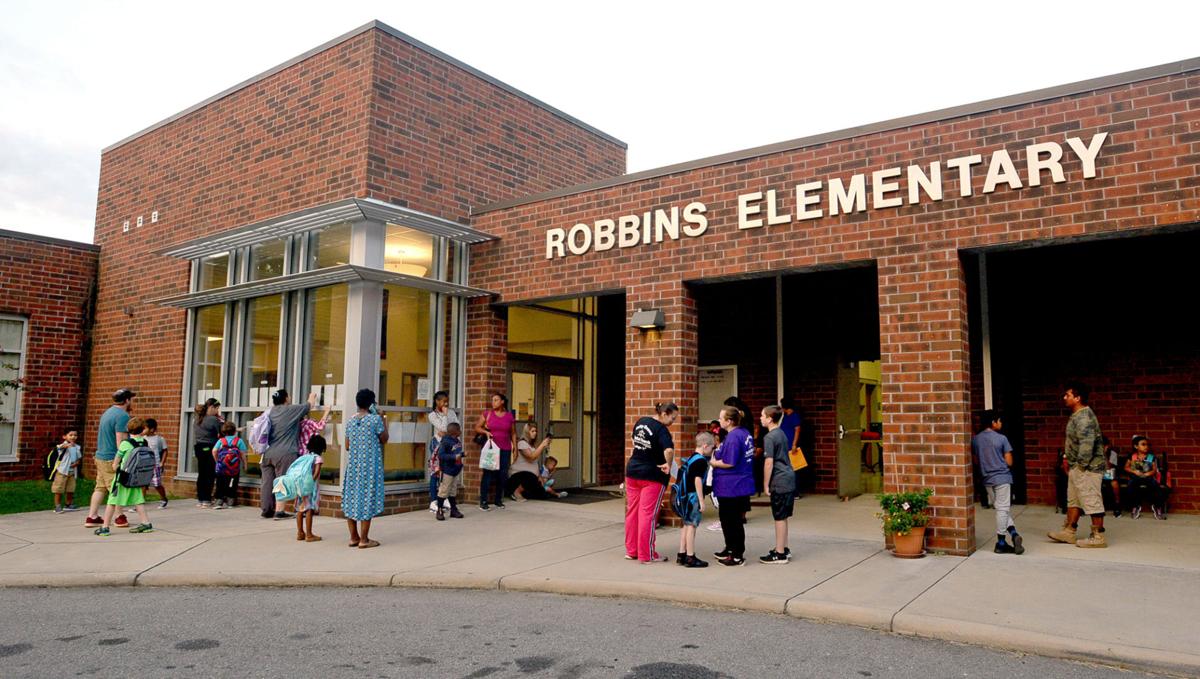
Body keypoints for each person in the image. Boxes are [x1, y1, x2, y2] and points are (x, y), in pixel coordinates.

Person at [1048, 382, 1108, 548]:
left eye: (1068, 395)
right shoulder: (1077, 415)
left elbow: (1087, 445)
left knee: (1091, 500)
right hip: (1077, 467)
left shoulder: (1084, 417)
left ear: (1077, 398)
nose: (1064, 398)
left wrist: (1080, 466)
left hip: (1088, 468)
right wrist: (1068, 460)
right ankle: (1069, 531)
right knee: (1073, 500)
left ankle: (1098, 536)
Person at [623, 401, 678, 563]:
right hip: (653, 475)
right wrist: (668, 464)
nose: (672, 422)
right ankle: (646, 554)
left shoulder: (641, 422)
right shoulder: (662, 430)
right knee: (648, 515)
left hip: (633, 471)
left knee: (632, 512)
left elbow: (634, 440)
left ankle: (631, 550)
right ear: (664, 414)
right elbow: (668, 450)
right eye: (672, 418)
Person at [971, 410, 1023, 555]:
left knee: (1001, 509)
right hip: (1002, 478)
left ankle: (1013, 534)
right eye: (999, 420)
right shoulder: (1002, 439)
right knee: (1003, 510)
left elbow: (976, 460)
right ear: (993, 423)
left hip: (987, 479)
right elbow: (1009, 461)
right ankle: (1001, 542)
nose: (1001, 423)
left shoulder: (976, 440)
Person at [710, 406, 756, 566]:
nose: (719, 420)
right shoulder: (744, 433)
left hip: (732, 485)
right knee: (726, 518)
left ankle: (737, 554)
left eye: (722, 418)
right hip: (735, 484)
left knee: (732, 520)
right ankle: (730, 547)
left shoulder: (734, 437)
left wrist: (714, 462)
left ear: (729, 421)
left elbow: (729, 462)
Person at [261, 389, 316, 520]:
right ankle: (279, 511)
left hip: (267, 453)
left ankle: (267, 510)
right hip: (285, 452)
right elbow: (310, 405)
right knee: (282, 480)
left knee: (267, 482)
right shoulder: (290, 410)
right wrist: (312, 395)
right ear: (286, 399)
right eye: (289, 395)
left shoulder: (270, 411)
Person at [343, 388, 387, 548]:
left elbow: (347, 445)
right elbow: (384, 439)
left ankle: (353, 537)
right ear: (371, 403)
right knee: (367, 498)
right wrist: (383, 418)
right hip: (369, 466)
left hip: (354, 466)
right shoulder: (375, 420)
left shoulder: (350, 421)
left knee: (351, 498)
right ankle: (364, 539)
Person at [94, 417, 154, 536]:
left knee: (112, 501)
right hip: (136, 478)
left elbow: (116, 462)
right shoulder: (144, 442)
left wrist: (115, 466)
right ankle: (146, 523)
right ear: (142, 430)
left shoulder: (126, 443)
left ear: (128, 429)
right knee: (138, 501)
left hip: (123, 478)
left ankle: (105, 527)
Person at [84, 388, 134, 529]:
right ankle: (119, 517)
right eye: (131, 399)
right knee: (116, 488)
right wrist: (124, 458)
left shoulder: (108, 412)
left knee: (100, 487)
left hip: (100, 456)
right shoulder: (123, 416)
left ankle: (92, 516)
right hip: (112, 458)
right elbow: (121, 441)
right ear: (127, 400)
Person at [759, 405, 796, 564]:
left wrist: (765, 484)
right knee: (784, 516)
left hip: (779, 480)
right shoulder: (781, 433)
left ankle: (779, 553)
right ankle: (783, 547)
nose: (760, 418)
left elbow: (769, 462)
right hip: (788, 477)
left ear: (769, 418)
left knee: (779, 517)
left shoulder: (769, 437)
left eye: (762, 415)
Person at [274, 433, 325, 541]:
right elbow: (316, 474)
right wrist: (310, 483)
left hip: (299, 487)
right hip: (309, 488)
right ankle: (309, 534)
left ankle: (300, 533)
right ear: (322, 447)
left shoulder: (304, 457)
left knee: (299, 510)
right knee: (309, 510)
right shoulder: (318, 459)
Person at [674, 431, 712, 568]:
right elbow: (697, 480)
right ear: (705, 446)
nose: (711, 451)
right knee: (692, 526)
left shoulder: (691, 458)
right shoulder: (701, 461)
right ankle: (690, 557)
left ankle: (681, 554)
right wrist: (702, 500)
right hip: (693, 497)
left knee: (685, 524)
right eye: (711, 448)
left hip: (684, 497)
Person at [474, 392, 516, 511]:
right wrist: (486, 432)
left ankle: (498, 500)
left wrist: (515, 447)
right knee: (488, 474)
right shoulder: (488, 414)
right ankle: (483, 501)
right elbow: (477, 427)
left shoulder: (509, 416)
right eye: (492, 400)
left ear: (502, 401)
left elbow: (513, 432)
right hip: (491, 449)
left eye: (496, 400)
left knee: (502, 475)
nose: (493, 402)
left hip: (505, 448)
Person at [427, 391, 460, 512]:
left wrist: (447, 430)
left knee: (448, 473)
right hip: (438, 443)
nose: (446, 404)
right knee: (436, 472)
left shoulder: (451, 412)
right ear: (437, 401)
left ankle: (444, 497)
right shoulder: (432, 415)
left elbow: (456, 427)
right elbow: (442, 428)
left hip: (450, 444)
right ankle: (433, 500)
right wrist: (445, 417)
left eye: (447, 401)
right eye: (443, 401)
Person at [1125, 435, 1168, 520]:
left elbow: (1154, 469)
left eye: (1147, 445)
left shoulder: (1151, 457)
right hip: (1136, 477)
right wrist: (1134, 471)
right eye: (1143, 444)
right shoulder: (1132, 456)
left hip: (1148, 477)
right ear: (1136, 446)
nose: (1146, 447)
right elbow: (1126, 467)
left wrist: (1149, 473)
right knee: (1131, 486)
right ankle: (1135, 506)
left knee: (1155, 486)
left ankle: (1157, 506)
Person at [508, 422, 552, 502]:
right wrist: (542, 445)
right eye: (532, 431)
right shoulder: (521, 443)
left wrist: (539, 476)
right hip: (519, 477)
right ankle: (516, 491)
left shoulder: (532, 445)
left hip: (531, 478)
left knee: (543, 495)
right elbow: (531, 457)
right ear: (527, 432)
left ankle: (523, 493)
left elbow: (534, 463)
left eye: (536, 431)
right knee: (530, 476)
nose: (535, 433)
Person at [191, 397, 222, 508]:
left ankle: (201, 498)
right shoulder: (213, 419)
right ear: (211, 407)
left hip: (199, 447)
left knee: (202, 473)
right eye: (217, 408)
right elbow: (221, 432)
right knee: (210, 473)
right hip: (210, 446)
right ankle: (207, 499)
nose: (217, 411)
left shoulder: (197, 418)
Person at [211, 422, 246, 509]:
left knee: (220, 483)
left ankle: (219, 500)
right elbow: (243, 454)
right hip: (234, 469)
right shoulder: (239, 441)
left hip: (221, 467)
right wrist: (245, 464)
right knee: (233, 483)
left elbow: (214, 451)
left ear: (223, 432)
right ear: (235, 431)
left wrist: (217, 461)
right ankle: (231, 500)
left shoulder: (221, 441)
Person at [435, 422, 466, 521]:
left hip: (455, 469)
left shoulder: (456, 441)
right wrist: (454, 457)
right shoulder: (445, 442)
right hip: (447, 470)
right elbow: (441, 455)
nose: (460, 431)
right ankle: (439, 510)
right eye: (459, 429)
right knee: (444, 490)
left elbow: (456, 452)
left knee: (453, 491)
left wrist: (462, 454)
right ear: (454, 432)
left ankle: (453, 509)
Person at [50, 429, 82, 513]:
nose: (73, 437)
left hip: (72, 472)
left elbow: (78, 458)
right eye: (70, 435)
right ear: (65, 436)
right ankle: (57, 505)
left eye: (75, 435)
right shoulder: (63, 446)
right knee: (59, 489)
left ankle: (68, 504)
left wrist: (77, 463)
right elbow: (59, 447)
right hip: (62, 471)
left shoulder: (77, 447)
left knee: (70, 489)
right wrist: (67, 445)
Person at [142, 418, 169, 509]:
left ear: (152, 429)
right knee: (143, 485)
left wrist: (162, 462)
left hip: (155, 465)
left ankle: (164, 499)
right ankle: (140, 502)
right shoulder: (142, 439)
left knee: (157, 484)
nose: (143, 430)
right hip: (145, 465)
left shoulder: (159, 439)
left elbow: (165, 451)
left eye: (145, 428)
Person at [1101, 436, 1123, 517]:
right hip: (1097, 474)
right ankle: (1100, 507)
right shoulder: (1093, 454)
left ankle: (1117, 505)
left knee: (1114, 484)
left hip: (1109, 473)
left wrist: (1104, 454)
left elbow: (1110, 467)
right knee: (1096, 484)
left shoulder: (1113, 453)